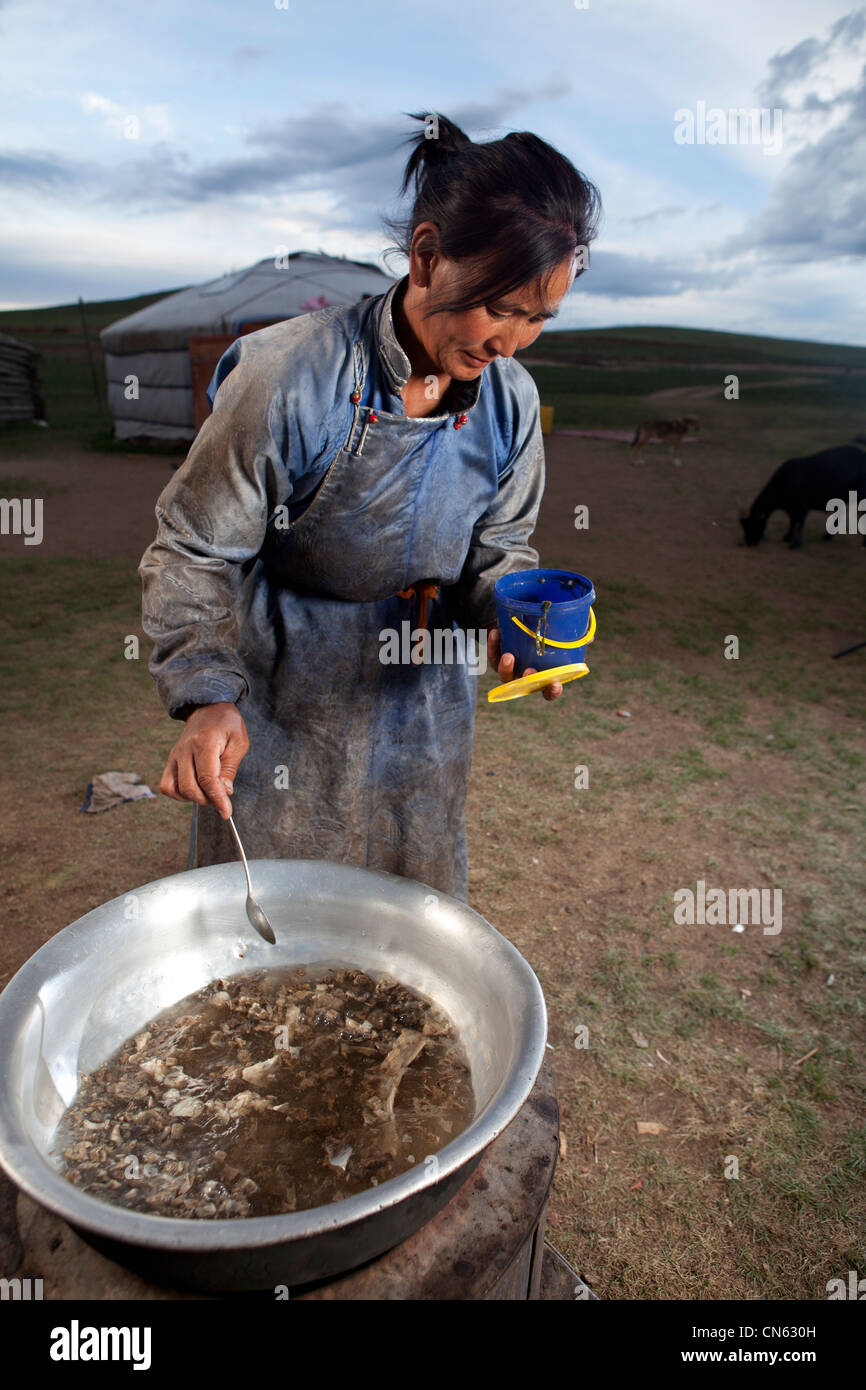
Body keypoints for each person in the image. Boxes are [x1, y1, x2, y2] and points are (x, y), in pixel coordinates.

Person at [138, 112, 601, 902]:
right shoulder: (292, 376)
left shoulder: (511, 402)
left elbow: (498, 549)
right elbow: (194, 548)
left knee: (409, 905)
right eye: (499, 307)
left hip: (424, 696)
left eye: (538, 318)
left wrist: (509, 623)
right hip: (287, 687)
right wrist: (210, 697)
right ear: (426, 257)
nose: (512, 343)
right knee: (278, 911)